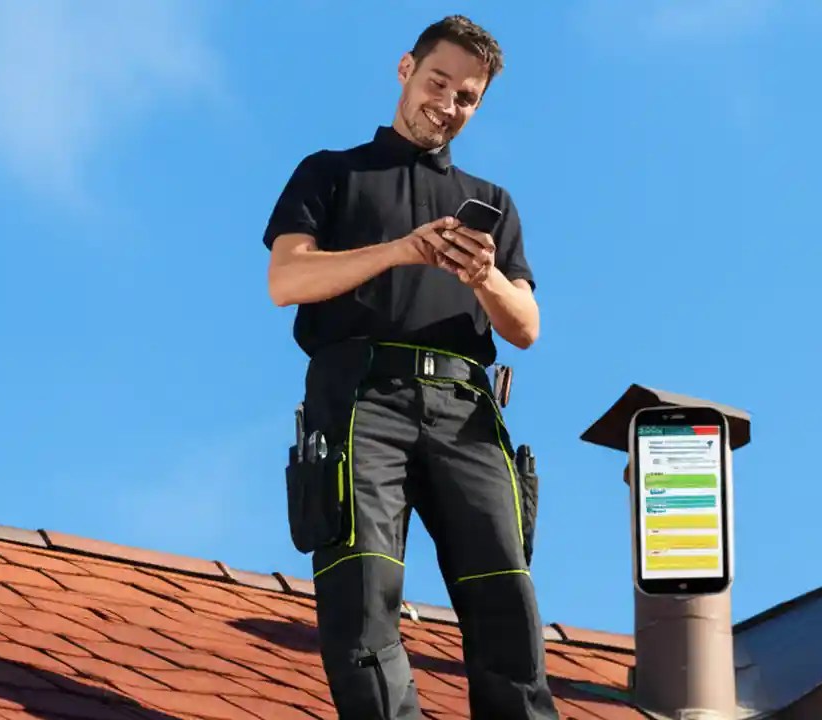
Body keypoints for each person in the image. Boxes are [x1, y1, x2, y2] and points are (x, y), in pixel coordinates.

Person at [262, 15, 559, 720]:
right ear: (405, 69)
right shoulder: (331, 172)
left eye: (467, 96)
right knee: (364, 596)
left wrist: (484, 276)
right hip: (362, 396)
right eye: (438, 81)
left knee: (506, 602)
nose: (448, 103)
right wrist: (401, 251)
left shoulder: (495, 204)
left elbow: (526, 328)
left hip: (466, 408)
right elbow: (285, 280)